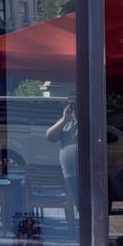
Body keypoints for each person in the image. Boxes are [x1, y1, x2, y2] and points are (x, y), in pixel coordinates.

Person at [46, 98, 79, 235]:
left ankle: (86, 231)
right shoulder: (67, 123)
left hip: (83, 171)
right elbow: (50, 136)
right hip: (70, 173)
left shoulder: (88, 121)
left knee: (83, 202)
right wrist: (65, 119)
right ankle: (81, 230)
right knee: (77, 201)